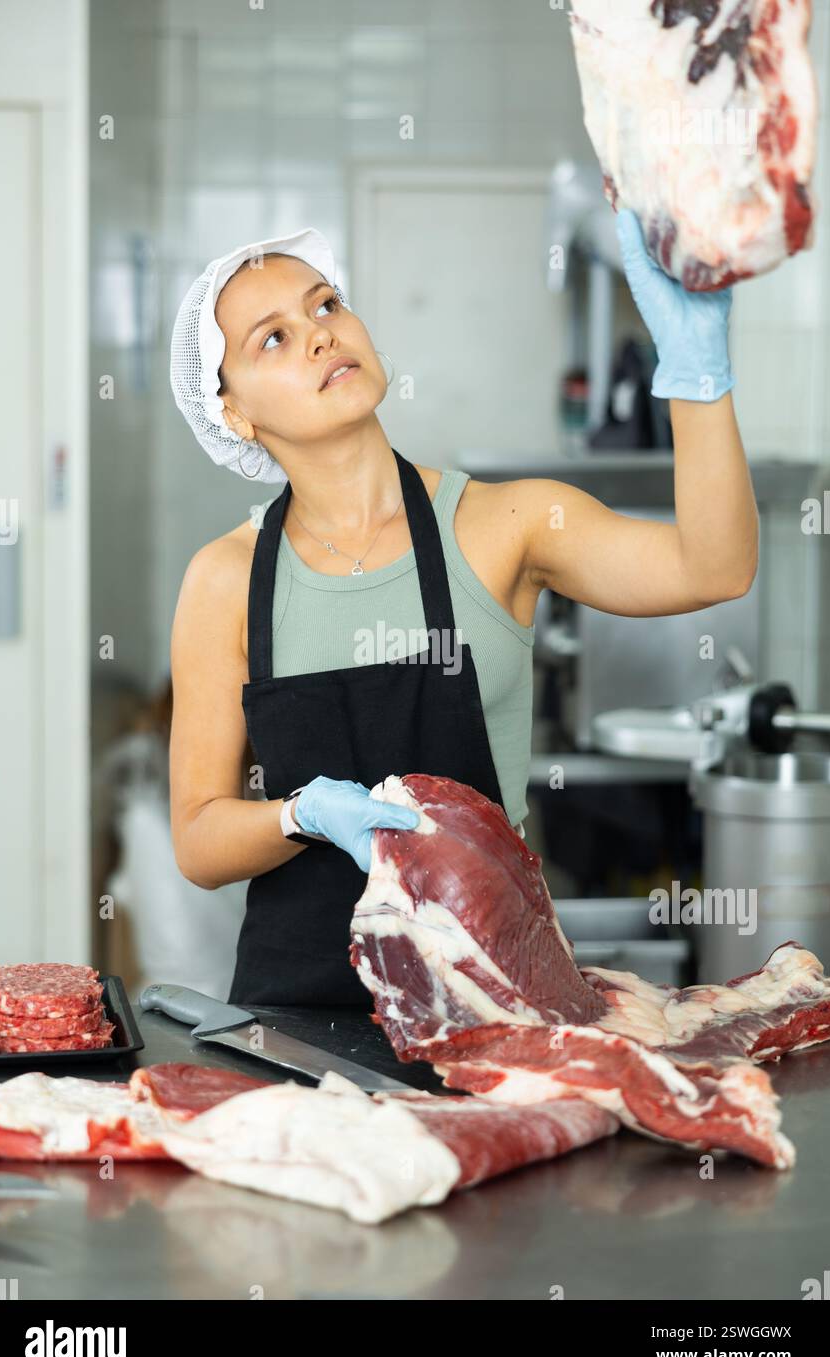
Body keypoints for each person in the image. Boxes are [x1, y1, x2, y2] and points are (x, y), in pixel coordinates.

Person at [167, 216, 757, 1009]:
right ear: (234, 413)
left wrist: (696, 373)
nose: (318, 335)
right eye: (271, 339)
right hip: (298, 1032)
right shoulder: (227, 579)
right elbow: (200, 838)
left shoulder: (505, 525)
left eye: (326, 306)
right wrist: (301, 815)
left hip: (497, 1012)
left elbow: (714, 567)